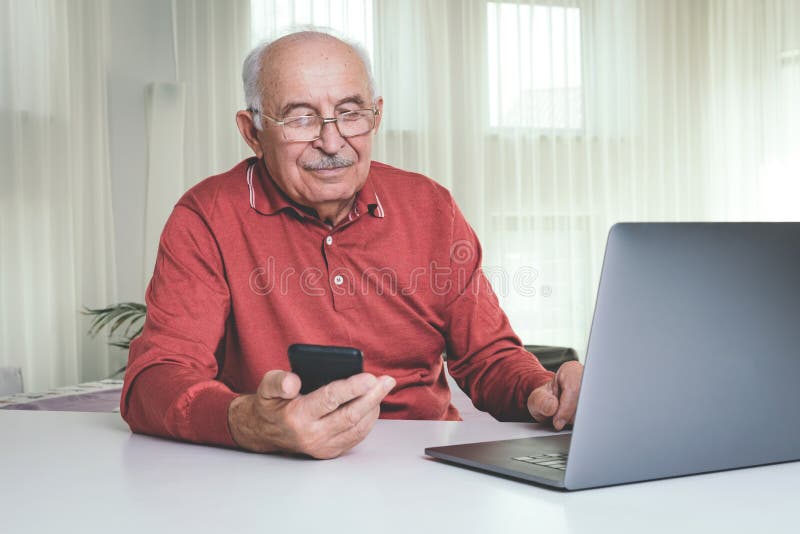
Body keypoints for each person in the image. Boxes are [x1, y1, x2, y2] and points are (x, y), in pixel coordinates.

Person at [121, 29, 583, 459]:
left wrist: (542, 393)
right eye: (300, 118)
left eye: (350, 113)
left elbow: (489, 357)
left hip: (423, 470)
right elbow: (153, 382)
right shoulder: (207, 215)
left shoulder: (430, 206)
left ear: (375, 114)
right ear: (252, 131)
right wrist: (250, 423)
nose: (331, 140)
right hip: (270, 473)